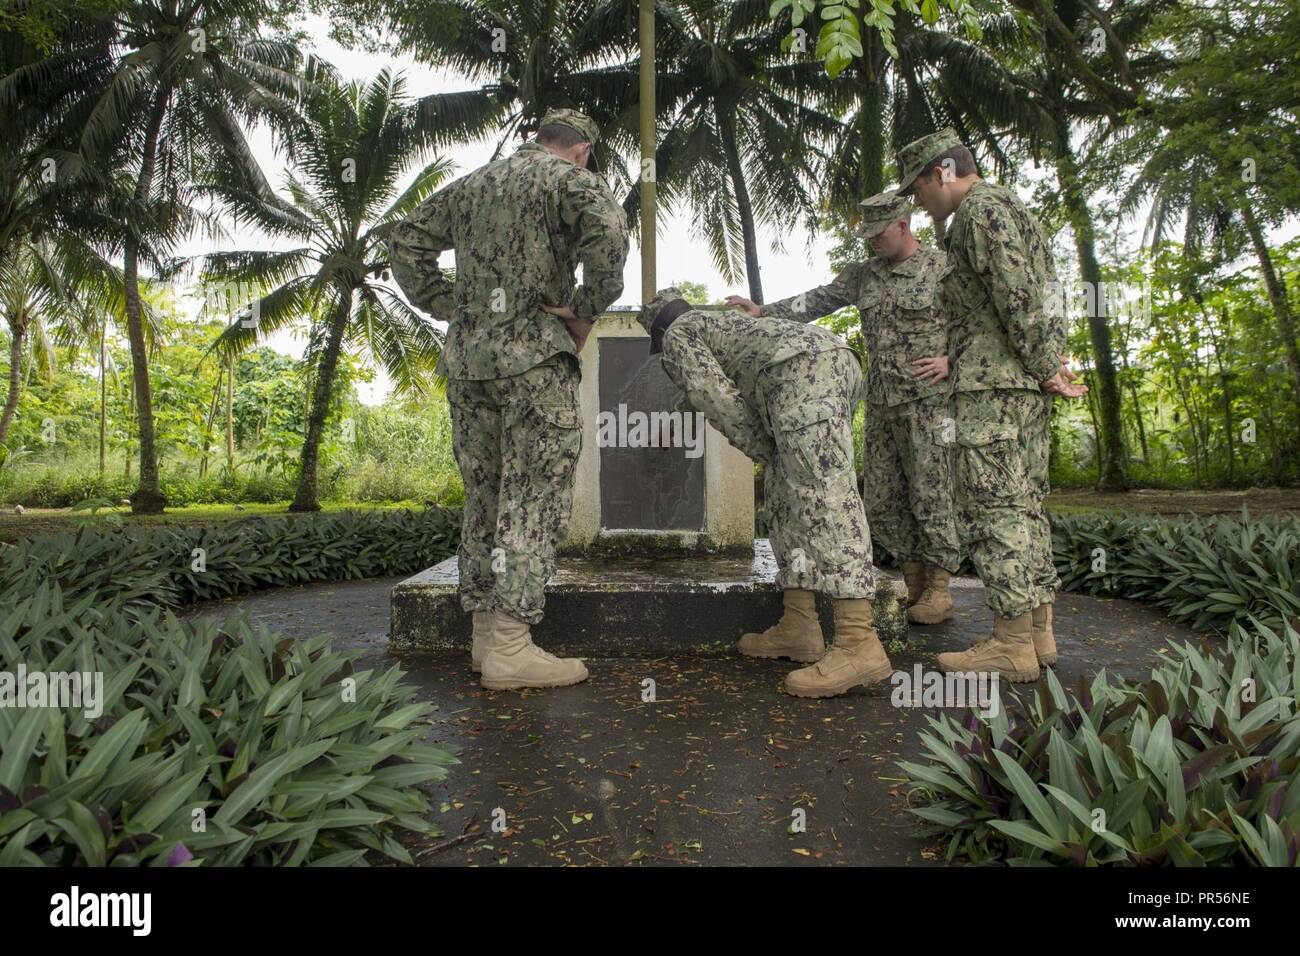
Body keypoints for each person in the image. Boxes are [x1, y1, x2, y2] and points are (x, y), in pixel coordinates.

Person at [389, 109, 629, 690]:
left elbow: (403, 240)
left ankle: (483, 638)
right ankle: (512, 645)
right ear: (581, 151)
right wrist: (583, 309)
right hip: (533, 362)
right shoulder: (570, 181)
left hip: (471, 366)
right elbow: (610, 236)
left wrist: (451, 305)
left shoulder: (473, 185)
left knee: (486, 497)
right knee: (532, 497)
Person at [894, 128, 1087, 682]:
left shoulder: (978, 212)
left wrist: (1046, 360)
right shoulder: (1011, 207)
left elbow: (1015, 291)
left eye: (918, 188)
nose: (918, 202)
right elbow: (1046, 291)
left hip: (992, 388)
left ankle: (1010, 644)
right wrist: (1047, 359)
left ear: (942, 173)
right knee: (1026, 507)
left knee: (997, 510)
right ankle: (1037, 632)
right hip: (1019, 383)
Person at [638, 288, 894, 698]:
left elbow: (713, 396)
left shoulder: (679, 334)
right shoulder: (716, 325)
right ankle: (799, 624)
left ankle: (858, 642)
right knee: (783, 499)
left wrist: (760, 446)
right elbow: (716, 382)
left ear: (659, 328)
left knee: (825, 498)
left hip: (804, 373)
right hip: (818, 366)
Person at [729, 191, 960, 624]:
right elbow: (816, 301)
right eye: (866, 234)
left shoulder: (942, 269)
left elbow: (974, 321)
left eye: (878, 233)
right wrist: (762, 312)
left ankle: (940, 588)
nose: (871, 242)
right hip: (882, 404)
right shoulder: (863, 276)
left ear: (903, 226)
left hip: (930, 405)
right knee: (883, 497)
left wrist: (954, 360)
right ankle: (913, 582)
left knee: (932, 493)